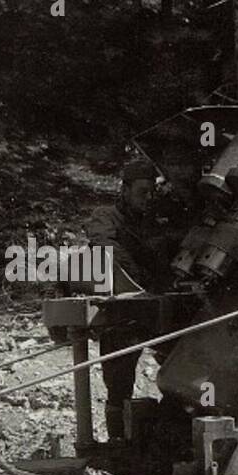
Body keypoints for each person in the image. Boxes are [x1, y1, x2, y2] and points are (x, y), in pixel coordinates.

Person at [85, 159, 171, 441]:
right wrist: (142, 276)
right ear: (124, 189)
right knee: (118, 383)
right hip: (123, 309)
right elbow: (106, 249)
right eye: (141, 192)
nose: (148, 199)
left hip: (157, 306)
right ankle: (117, 442)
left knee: (178, 370)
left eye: (151, 193)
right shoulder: (104, 216)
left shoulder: (156, 220)